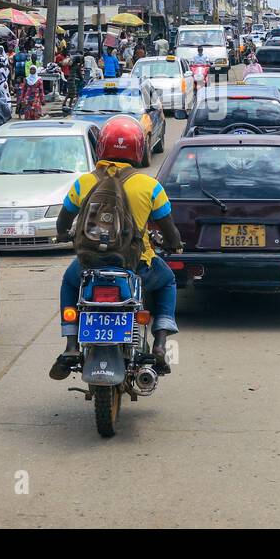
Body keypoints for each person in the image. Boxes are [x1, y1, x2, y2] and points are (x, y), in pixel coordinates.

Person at [51, 116, 183, 379]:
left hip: (90, 267)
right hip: (135, 267)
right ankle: (159, 344)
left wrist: (64, 234)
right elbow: (169, 231)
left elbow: (62, 221)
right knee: (167, 280)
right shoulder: (150, 186)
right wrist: (174, 245)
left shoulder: (84, 183)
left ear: (101, 148)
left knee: (69, 282)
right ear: (137, 149)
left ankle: (70, 344)